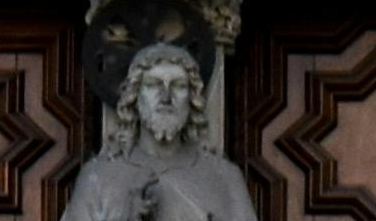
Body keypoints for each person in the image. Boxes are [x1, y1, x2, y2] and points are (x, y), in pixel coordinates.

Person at [65, 37, 256, 221]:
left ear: (192, 100)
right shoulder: (98, 177)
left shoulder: (224, 178)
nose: (166, 97)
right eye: (153, 85)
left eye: (179, 86)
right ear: (134, 97)